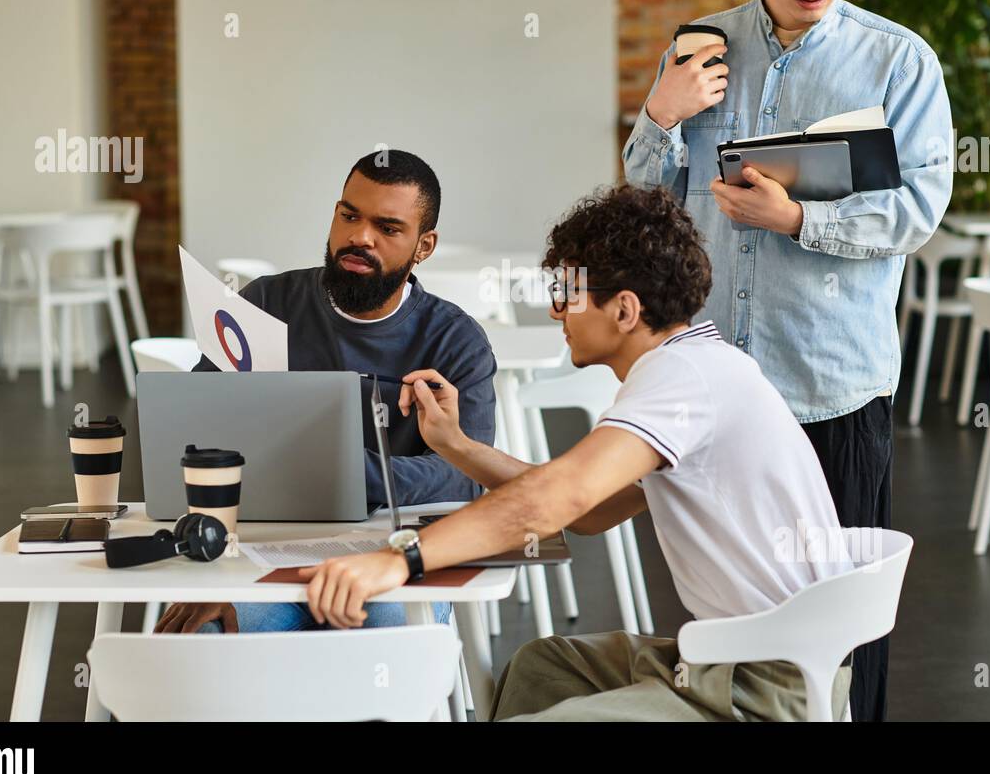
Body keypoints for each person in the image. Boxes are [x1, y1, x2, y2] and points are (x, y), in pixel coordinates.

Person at [300, 184, 854, 721]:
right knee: (542, 668)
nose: (555, 313)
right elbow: (591, 512)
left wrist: (398, 560)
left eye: (566, 295)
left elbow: (557, 498)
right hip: (732, 659)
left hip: (765, 689)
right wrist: (458, 447)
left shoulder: (682, 378)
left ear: (624, 310)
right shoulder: (697, 365)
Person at [621, 0, 952, 720]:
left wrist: (799, 220)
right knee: (724, 609)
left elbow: (918, 207)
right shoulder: (701, 45)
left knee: (842, 619)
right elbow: (644, 203)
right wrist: (660, 113)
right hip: (715, 386)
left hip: (831, 381)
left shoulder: (898, 62)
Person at [155, 148, 497, 634]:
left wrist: (353, 475)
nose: (360, 237)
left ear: (424, 246)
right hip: (264, 552)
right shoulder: (266, 303)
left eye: (388, 228)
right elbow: (196, 434)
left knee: (391, 630)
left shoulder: (456, 341)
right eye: (349, 215)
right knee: (205, 635)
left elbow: (470, 475)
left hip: (389, 559)